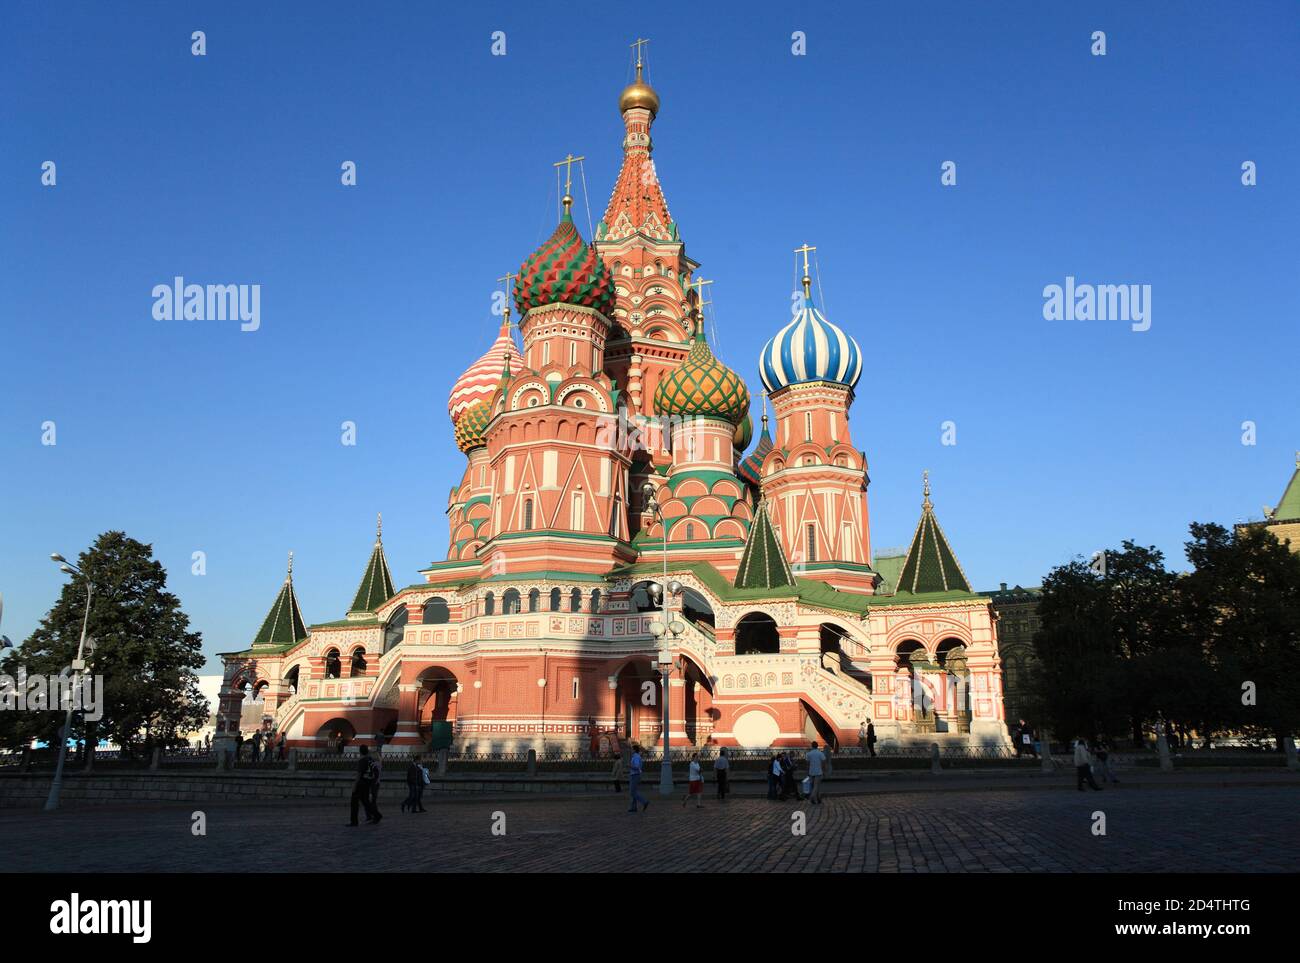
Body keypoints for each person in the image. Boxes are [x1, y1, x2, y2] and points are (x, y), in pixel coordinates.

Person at [347, 745, 381, 825]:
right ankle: (377, 815)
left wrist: (354, 786)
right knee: (366, 801)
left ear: (360, 751)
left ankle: (354, 821)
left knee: (354, 802)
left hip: (361, 783)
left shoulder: (362, 760)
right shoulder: (370, 759)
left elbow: (359, 774)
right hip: (368, 782)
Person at [626, 742, 649, 812]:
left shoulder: (636, 757)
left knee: (632, 792)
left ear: (634, 750)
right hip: (635, 775)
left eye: (631, 749)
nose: (630, 750)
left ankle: (644, 801)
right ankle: (633, 807)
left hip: (635, 775)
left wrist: (629, 766)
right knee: (634, 791)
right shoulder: (636, 756)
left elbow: (636, 766)